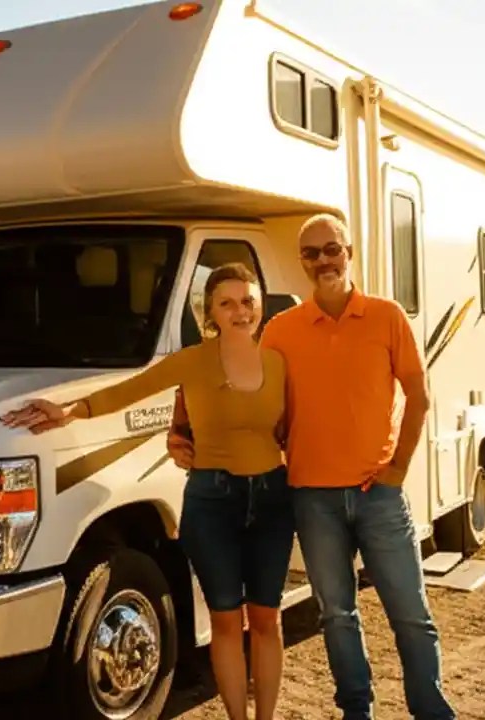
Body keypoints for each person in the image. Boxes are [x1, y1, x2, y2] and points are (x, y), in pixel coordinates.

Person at [167, 214, 456, 719]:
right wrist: (178, 429)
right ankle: (356, 712)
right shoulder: (281, 329)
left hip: (379, 494)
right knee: (338, 615)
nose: (323, 261)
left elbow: (419, 396)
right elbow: (226, 372)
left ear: (348, 252)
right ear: (301, 262)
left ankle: (431, 712)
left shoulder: (387, 316)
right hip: (310, 496)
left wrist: (398, 468)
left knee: (411, 616)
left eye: (331, 250)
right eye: (311, 254)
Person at [0, 262, 295, 720]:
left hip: (272, 501)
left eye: (249, 301)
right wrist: (67, 411)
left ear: (260, 307)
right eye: (227, 302)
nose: (240, 311)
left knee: (266, 619)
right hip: (212, 502)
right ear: (210, 312)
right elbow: (129, 391)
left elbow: (295, 427)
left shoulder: (278, 362)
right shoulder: (192, 360)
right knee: (224, 620)